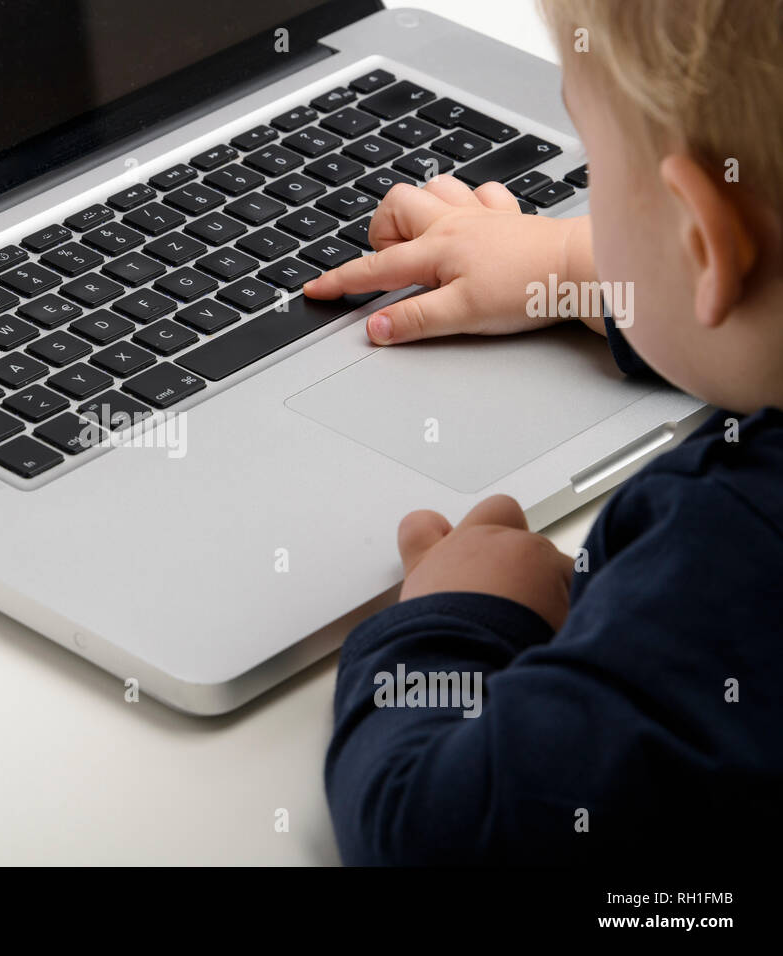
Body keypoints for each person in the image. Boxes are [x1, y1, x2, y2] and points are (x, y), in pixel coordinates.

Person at [309, 0, 783, 863]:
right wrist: (563, 265)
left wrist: (466, 619)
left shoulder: (732, 570)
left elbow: (433, 833)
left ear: (703, 242)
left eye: (598, 167)